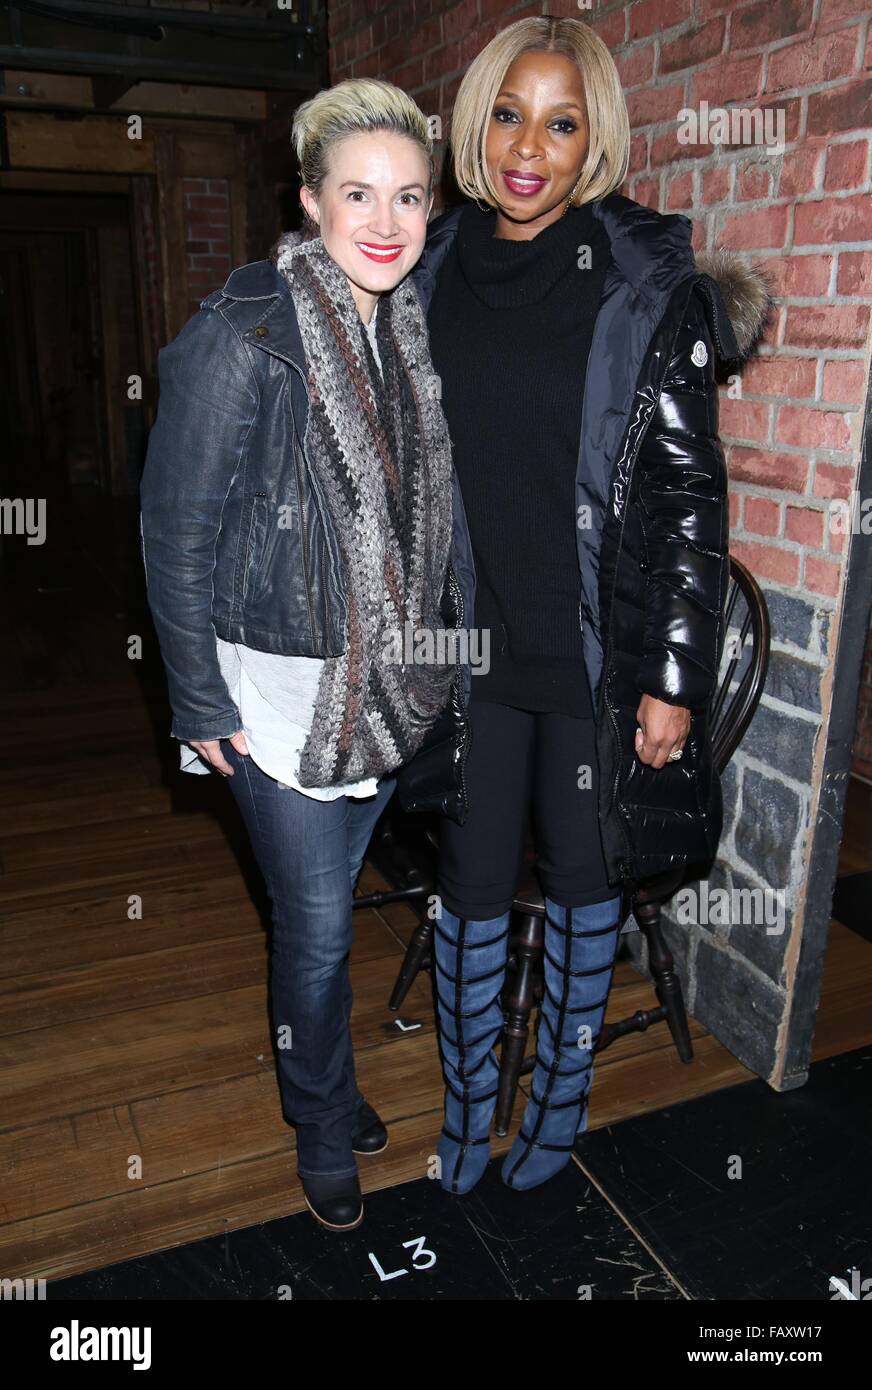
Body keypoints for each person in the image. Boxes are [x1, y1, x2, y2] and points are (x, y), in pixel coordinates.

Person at [396, 15, 770, 1195]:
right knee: (463, 898)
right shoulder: (427, 266)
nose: (527, 146)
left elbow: (684, 501)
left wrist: (669, 674)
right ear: (473, 124)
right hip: (464, 649)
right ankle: (467, 1110)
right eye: (506, 112)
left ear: (591, 138)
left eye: (560, 122)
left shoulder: (637, 284)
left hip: (587, 659)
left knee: (580, 888)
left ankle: (554, 1110)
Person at [139, 78, 458, 1232]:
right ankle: (320, 1121)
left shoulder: (410, 328)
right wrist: (192, 697)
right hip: (272, 696)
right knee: (319, 931)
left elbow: (430, 514)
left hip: (385, 693)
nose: (385, 220)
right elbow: (173, 527)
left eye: (409, 197)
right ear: (311, 200)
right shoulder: (245, 326)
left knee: (319, 917)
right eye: (358, 193)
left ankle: (320, 1077)